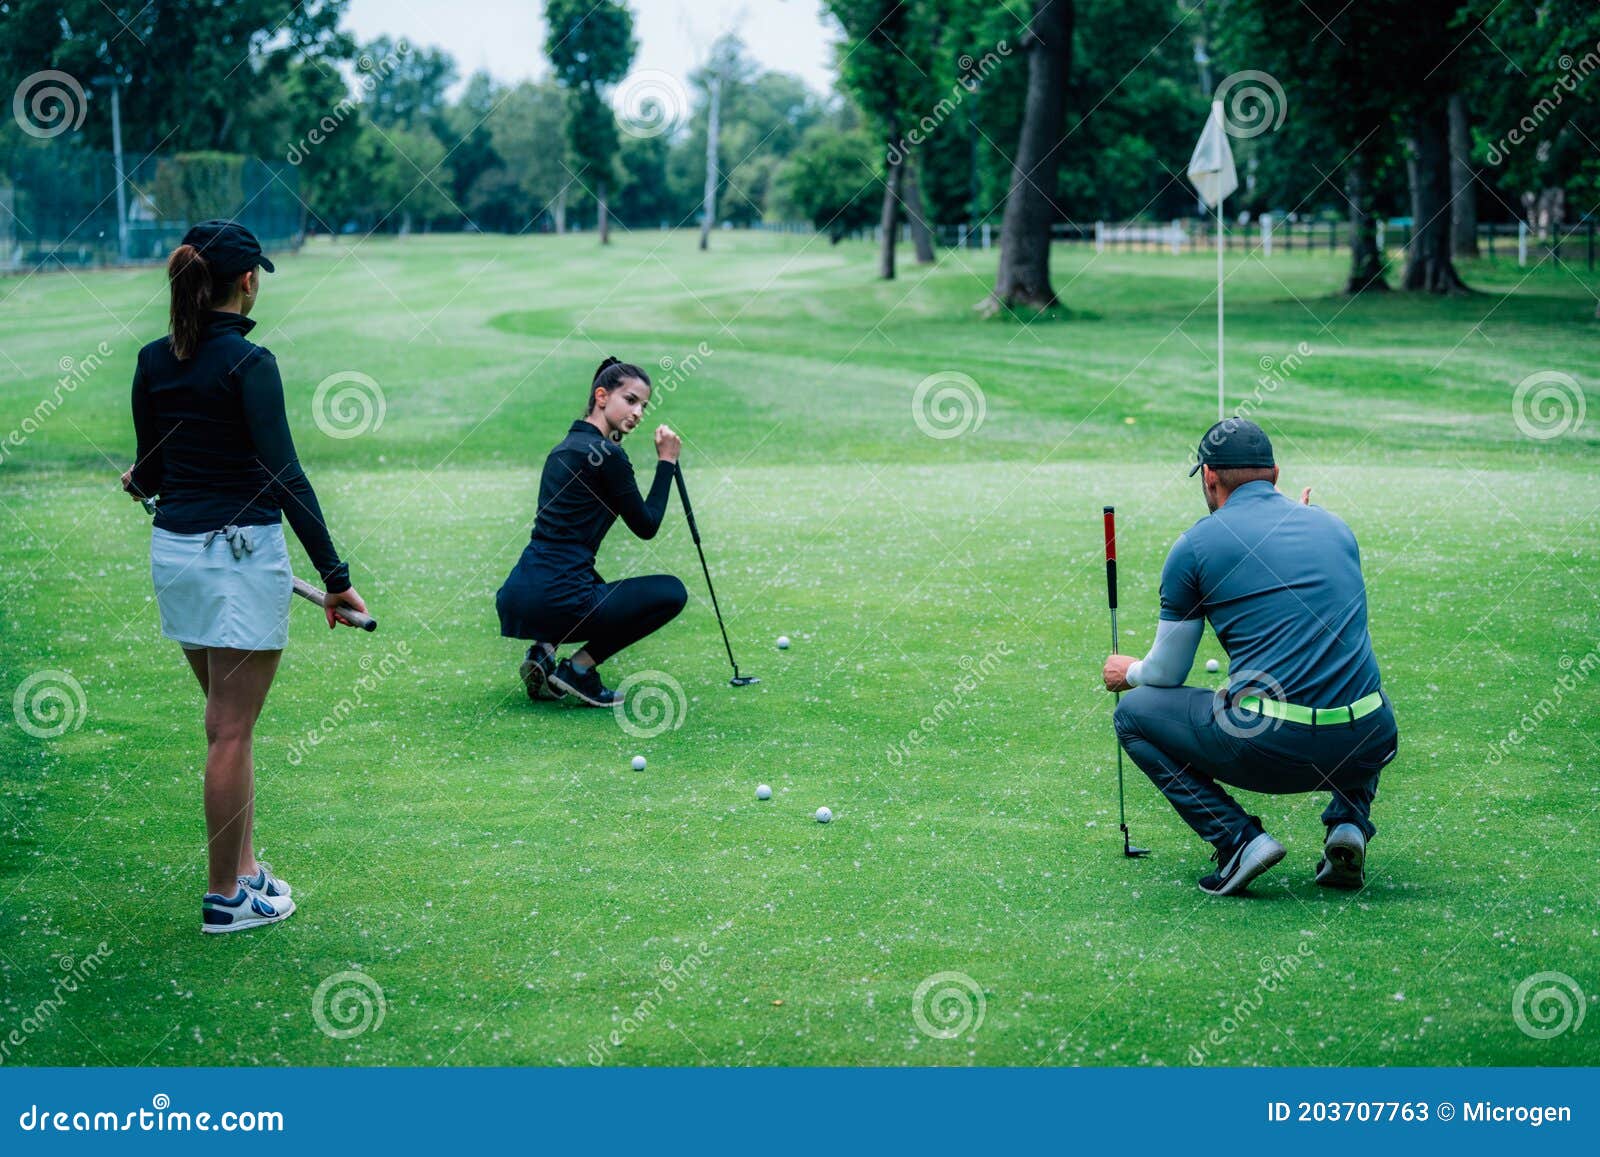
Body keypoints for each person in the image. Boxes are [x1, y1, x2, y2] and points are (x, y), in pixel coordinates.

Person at [123, 220, 367, 933]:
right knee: (229, 729)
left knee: (231, 724)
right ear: (248, 281)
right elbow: (284, 474)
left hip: (178, 556)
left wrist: (139, 480)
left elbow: (155, 471)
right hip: (238, 558)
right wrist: (336, 575)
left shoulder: (152, 359)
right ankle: (224, 896)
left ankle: (248, 867)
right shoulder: (251, 364)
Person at [1102, 418, 1398, 897]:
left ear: (1208, 479)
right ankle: (1348, 824)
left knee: (1135, 713)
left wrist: (1128, 671)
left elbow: (1167, 673)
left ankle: (1238, 840)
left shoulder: (1195, 546)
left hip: (1271, 750)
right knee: (1359, 689)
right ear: (1275, 475)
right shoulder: (1334, 527)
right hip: (1367, 742)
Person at [497, 357, 688, 707]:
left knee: (587, 577)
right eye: (630, 400)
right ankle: (578, 671)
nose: (639, 413)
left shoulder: (563, 449)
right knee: (672, 593)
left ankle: (543, 650)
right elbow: (647, 526)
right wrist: (666, 463)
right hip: (560, 600)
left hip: (519, 596)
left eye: (644, 405)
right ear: (602, 396)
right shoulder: (608, 455)